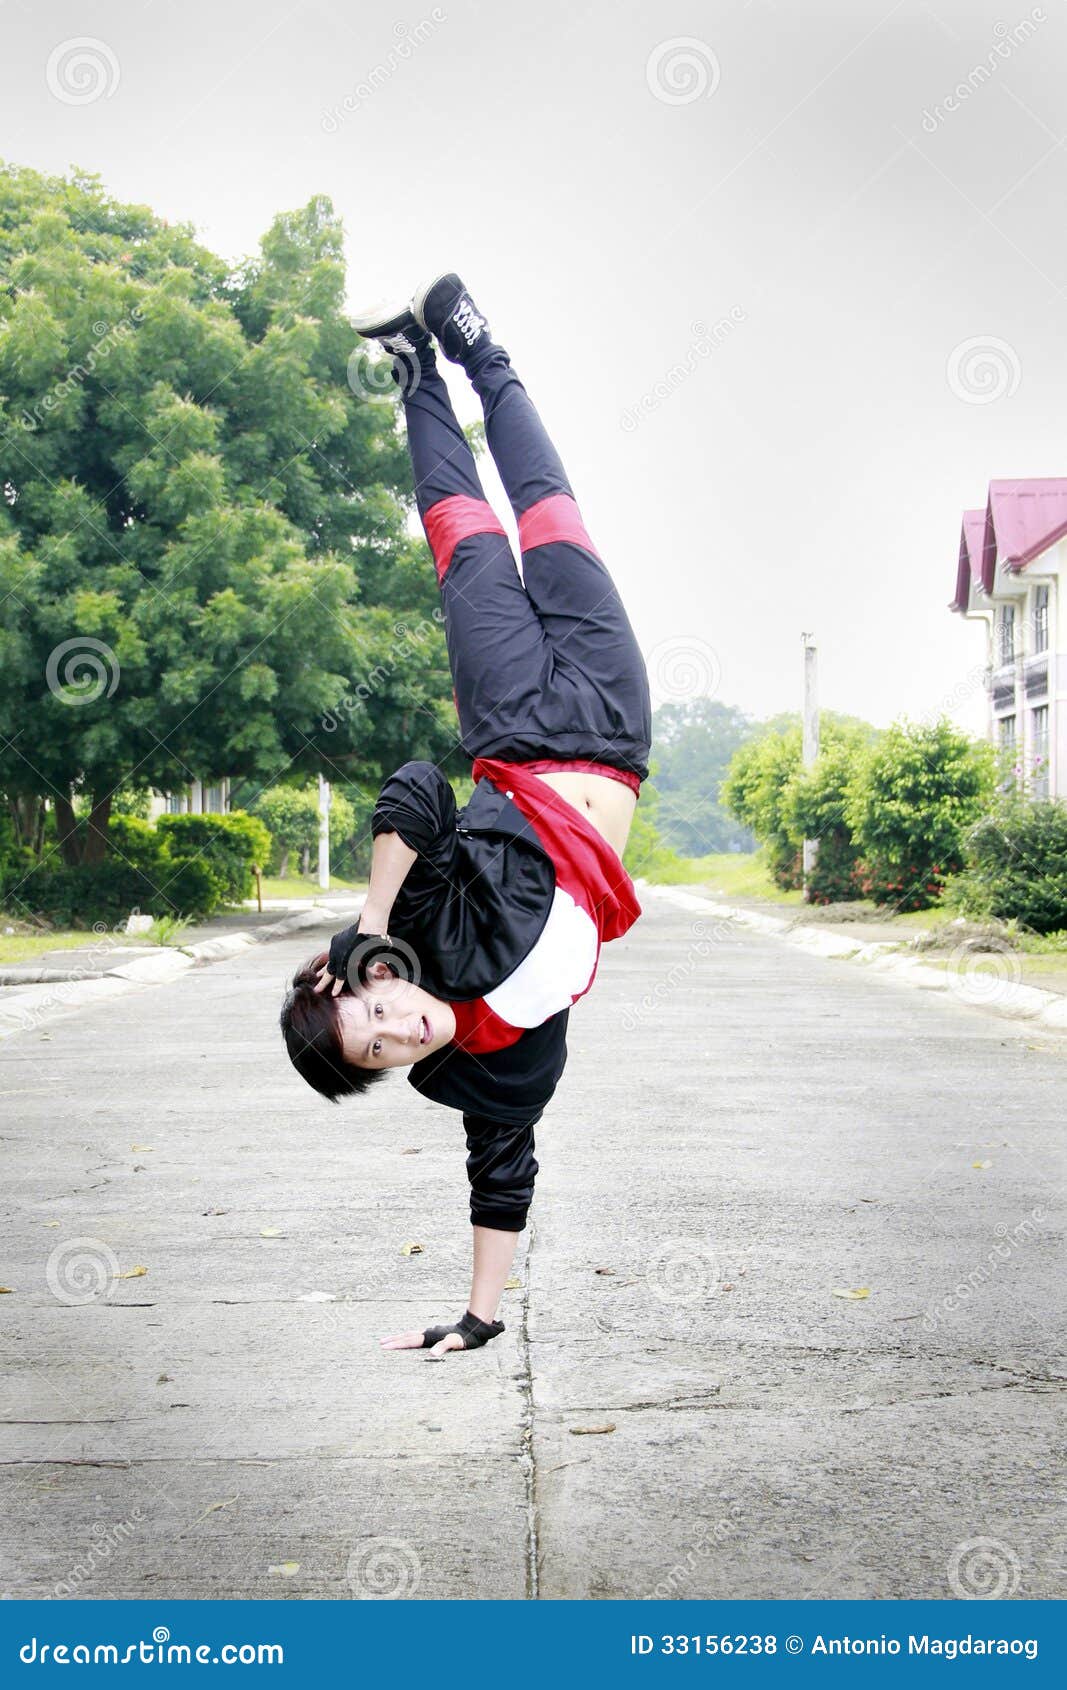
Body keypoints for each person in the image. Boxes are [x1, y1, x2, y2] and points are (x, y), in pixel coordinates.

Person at [280, 273, 651, 1358]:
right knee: (552, 514)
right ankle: (434, 361)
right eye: (381, 1051)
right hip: (611, 719)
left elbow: (413, 784)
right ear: (389, 1070)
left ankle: (439, 349)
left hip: (513, 726)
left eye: (374, 1010)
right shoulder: (481, 1065)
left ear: (366, 982)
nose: (399, 1030)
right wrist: (480, 1315)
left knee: (475, 531)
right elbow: (503, 1165)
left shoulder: (417, 931)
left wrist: (370, 925)